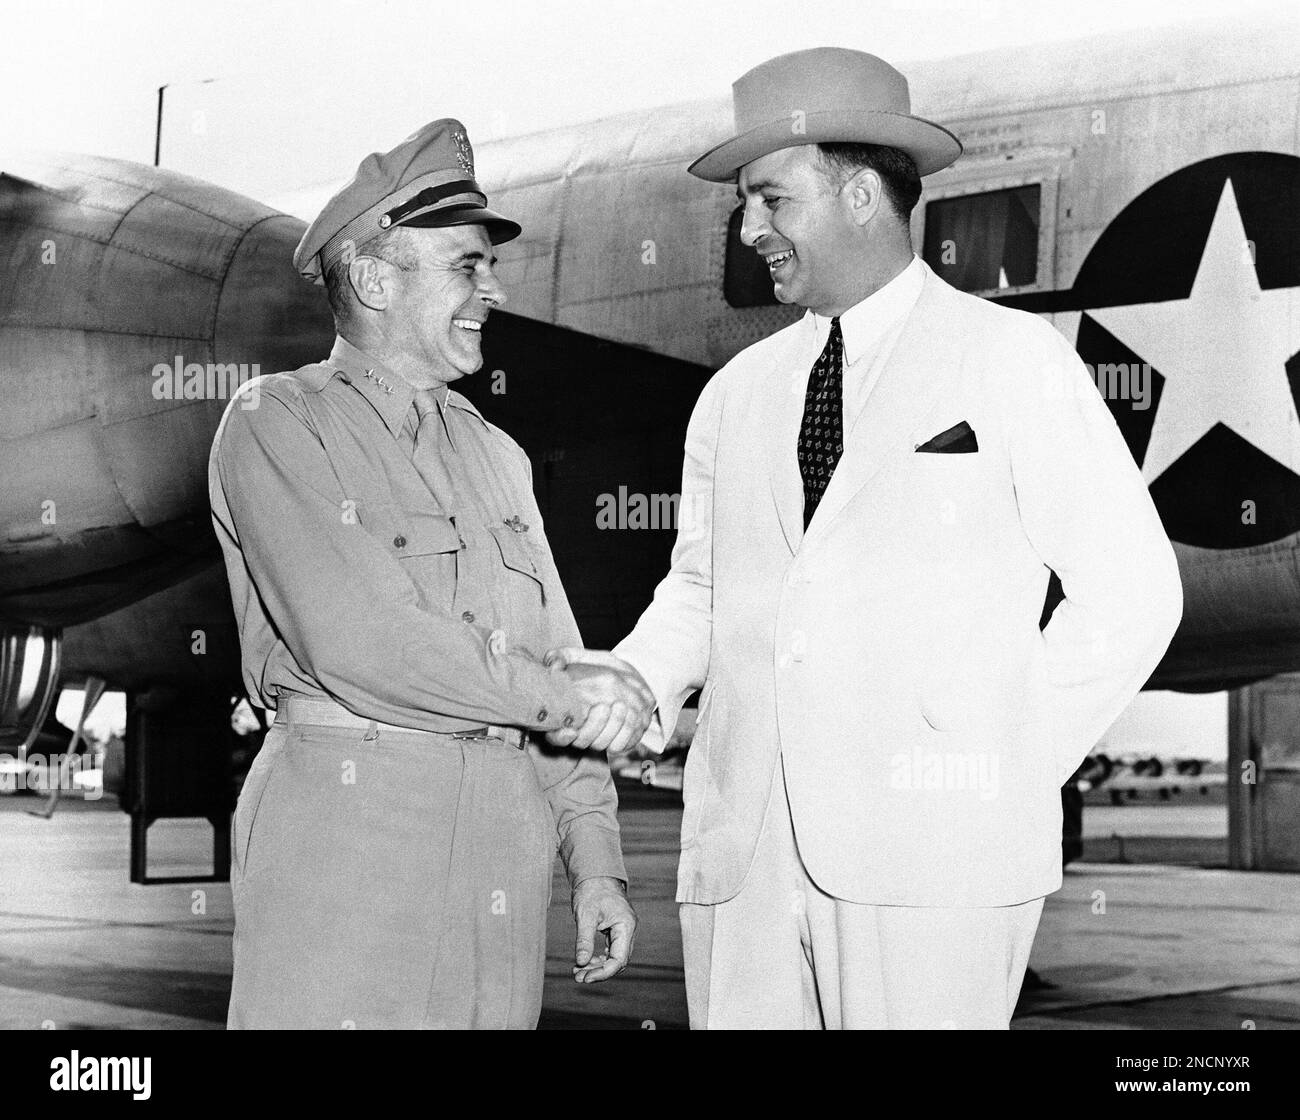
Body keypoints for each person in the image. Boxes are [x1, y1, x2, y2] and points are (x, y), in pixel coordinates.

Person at [549, 49, 1183, 1028]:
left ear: (855, 195)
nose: (747, 228)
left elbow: (1132, 592)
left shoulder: (1015, 364)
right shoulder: (735, 394)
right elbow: (701, 587)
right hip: (746, 855)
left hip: (934, 860)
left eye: (770, 198)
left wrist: (1001, 766)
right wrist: (635, 679)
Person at [209, 119, 648, 1029]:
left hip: (505, 846)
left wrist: (595, 862)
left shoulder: (500, 456)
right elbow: (370, 645)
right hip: (353, 830)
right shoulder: (278, 424)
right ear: (374, 279)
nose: (492, 290)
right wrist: (577, 701)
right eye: (466, 266)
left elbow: (553, 656)